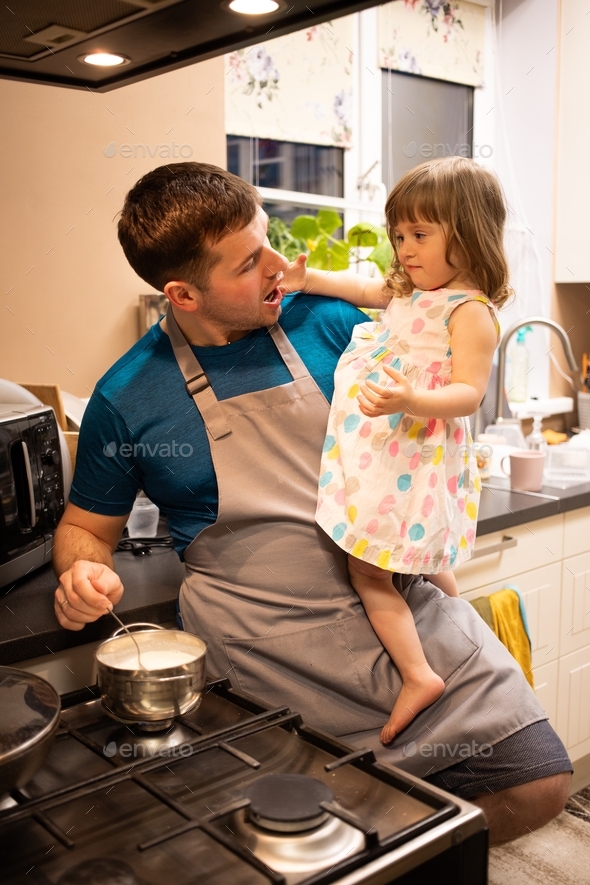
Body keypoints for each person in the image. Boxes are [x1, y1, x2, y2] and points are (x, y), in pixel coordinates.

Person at [52, 162, 571, 846]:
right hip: (269, 651)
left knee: (538, 783)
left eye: (266, 239)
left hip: (397, 605)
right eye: (248, 262)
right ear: (182, 292)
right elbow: (85, 528)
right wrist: (79, 572)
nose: (278, 265)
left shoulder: (329, 323)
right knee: (312, 836)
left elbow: (432, 407)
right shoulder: (128, 396)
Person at [280, 157, 504, 746]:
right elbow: (360, 287)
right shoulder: (410, 292)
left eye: (420, 235)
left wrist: (413, 397)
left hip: (415, 459)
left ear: (469, 233)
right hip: (387, 454)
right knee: (426, 559)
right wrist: (307, 280)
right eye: (399, 235)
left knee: (367, 568)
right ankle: (462, 630)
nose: (405, 248)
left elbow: (469, 392)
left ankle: (417, 673)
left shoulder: (469, 312)